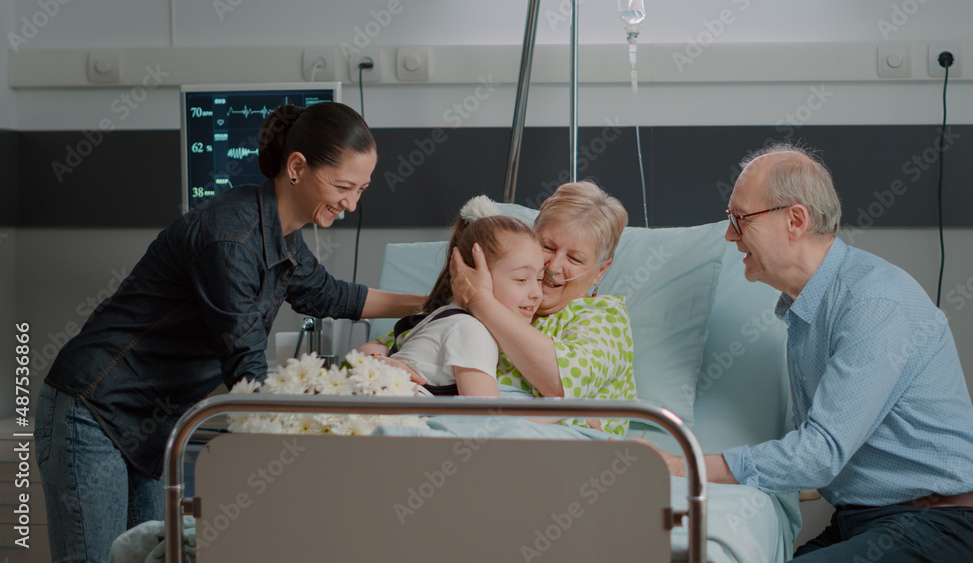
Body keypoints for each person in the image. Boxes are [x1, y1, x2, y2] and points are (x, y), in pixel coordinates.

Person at [35, 102, 424, 562]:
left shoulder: (281, 234)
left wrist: (434, 302)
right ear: (297, 166)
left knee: (147, 557)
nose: (351, 203)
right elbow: (246, 372)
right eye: (343, 187)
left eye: (361, 189)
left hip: (151, 424)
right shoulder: (231, 238)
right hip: (93, 409)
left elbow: (332, 295)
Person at [661, 143, 973, 561]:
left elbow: (820, 454)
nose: (730, 234)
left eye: (739, 219)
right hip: (868, 520)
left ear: (796, 220)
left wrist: (682, 465)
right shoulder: (806, 311)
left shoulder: (872, 302)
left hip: (944, 527)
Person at [451, 181, 636, 435]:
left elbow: (560, 380)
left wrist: (481, 301)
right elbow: (421, 337)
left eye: (574, 258)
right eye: (547, 246)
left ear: (600, 271)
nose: (554, 265)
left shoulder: (605, 316)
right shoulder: (498, 293)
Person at [384, 195, 544, 397]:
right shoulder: (470, 330)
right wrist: (558, 415)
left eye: (540, 279)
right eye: (521, 279)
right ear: (471, 275)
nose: (537, 293)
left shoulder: (446, 317)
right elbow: (486, 417)